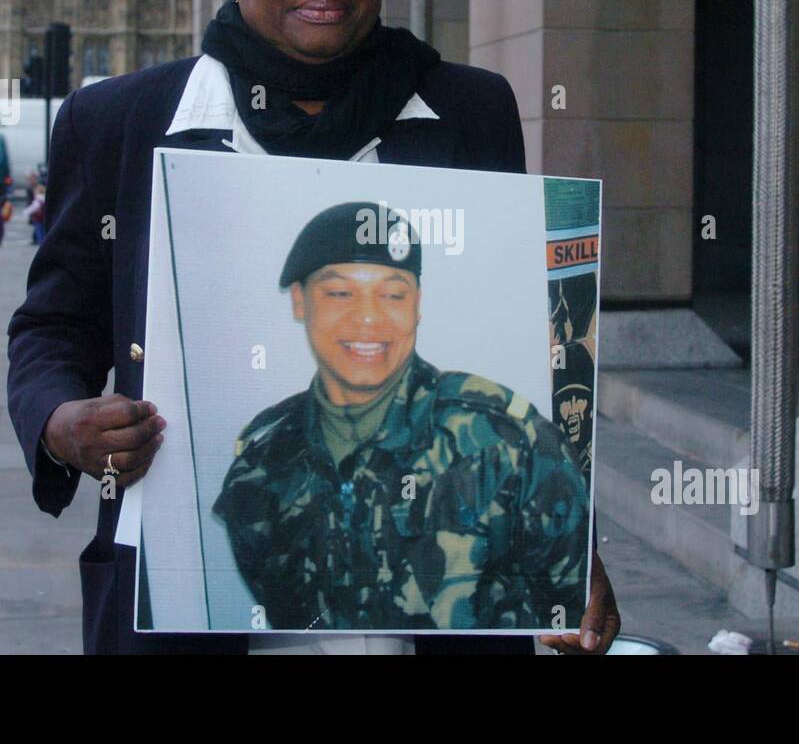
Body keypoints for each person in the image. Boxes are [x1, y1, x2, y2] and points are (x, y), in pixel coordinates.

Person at [7, 0, 618, 655]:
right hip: (190, 614)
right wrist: (59, 421)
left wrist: (564, 546)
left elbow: (528, 352)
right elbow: (53, 328)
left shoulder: (472, 111)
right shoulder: (120, 122)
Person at [213, 202, 590, 631]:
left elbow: (570, 610)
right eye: (340, 293)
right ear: (300, 301)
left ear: (418, 304)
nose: (369, 317)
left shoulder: (509, 441)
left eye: (393, 294)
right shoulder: (261, 470)